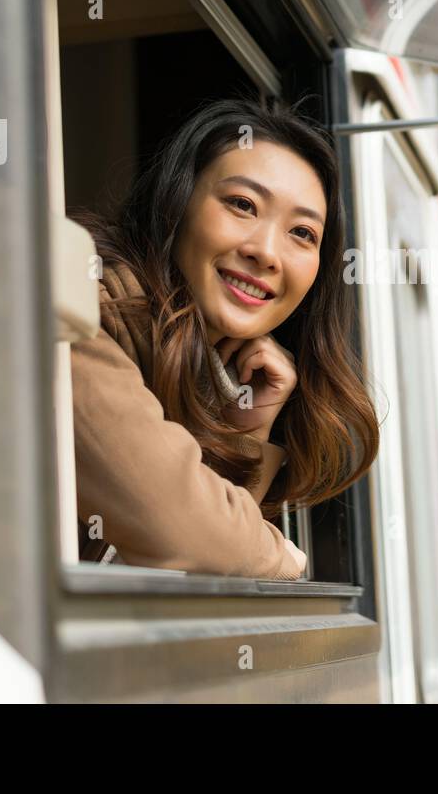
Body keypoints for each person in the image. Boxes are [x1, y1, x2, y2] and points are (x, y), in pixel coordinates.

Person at [69, 98, 380, 579]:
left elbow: (205, 571)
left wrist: (246, 429)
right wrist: (283, 556)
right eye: (242, 205)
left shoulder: (196, 378)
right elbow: (189, 537)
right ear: (177, 202)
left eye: (302, 232)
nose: (266, 252)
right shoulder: (83, 314)